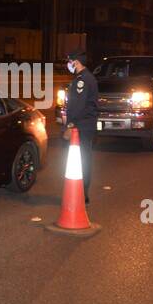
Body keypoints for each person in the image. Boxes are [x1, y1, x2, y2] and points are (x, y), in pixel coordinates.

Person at [62, 49, 98, 203]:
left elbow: (78, 105)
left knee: (83, 159)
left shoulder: (82, 80)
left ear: (76, 62)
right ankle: (82, 193)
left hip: (82, 126)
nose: (68, 64)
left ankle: (82, 194)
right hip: (86, 125)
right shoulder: (86, 77)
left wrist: (70, 125)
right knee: (84, 158)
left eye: (70, 61)